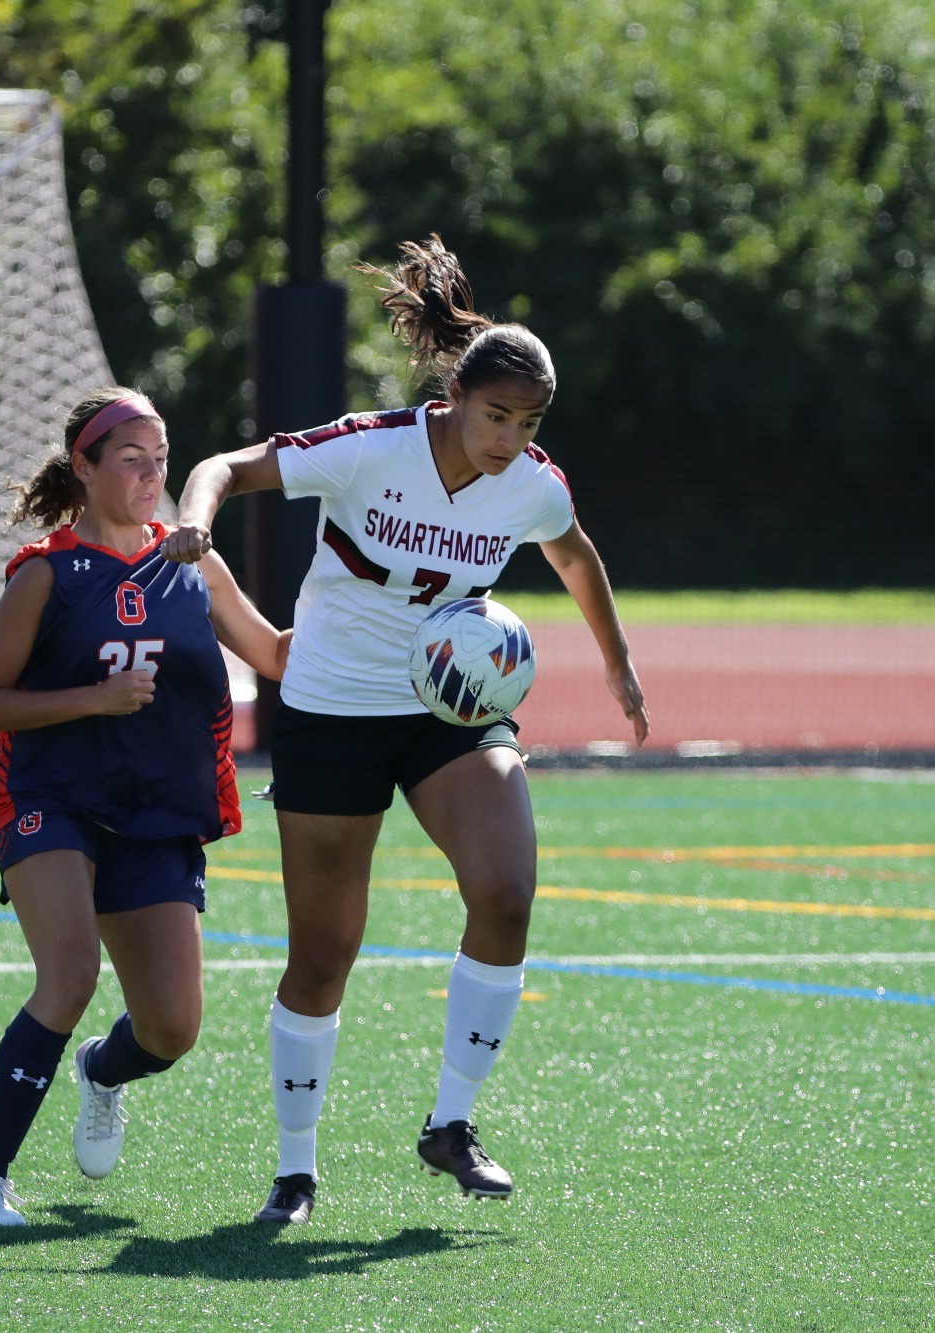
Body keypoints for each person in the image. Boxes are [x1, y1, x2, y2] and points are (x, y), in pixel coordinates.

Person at [160, 235, 649, 1225]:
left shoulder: (532, 483)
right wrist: (193, 519)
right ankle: (294, 1172)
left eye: (526, 421)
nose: (507, 436)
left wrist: (617, 660)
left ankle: (451, 1125)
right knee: (324, 953)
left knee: (506, 890)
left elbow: (576, 555)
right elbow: (221, 465)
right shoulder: (369, 445)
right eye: (494, 415)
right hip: (330, 707)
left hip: (447, 709)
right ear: (454, 398)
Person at [0, 387, 289, 1226]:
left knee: (172, 1028)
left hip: (158, 814)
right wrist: (92, 699)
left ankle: (101, 1071)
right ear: (85, 468)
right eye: (130, 459)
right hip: (50, 800)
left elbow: (279, 655)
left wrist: (383, 625)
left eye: (160, 460)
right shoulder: (47, 572)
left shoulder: (193, 564)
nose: (150, 474)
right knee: (69, 976)